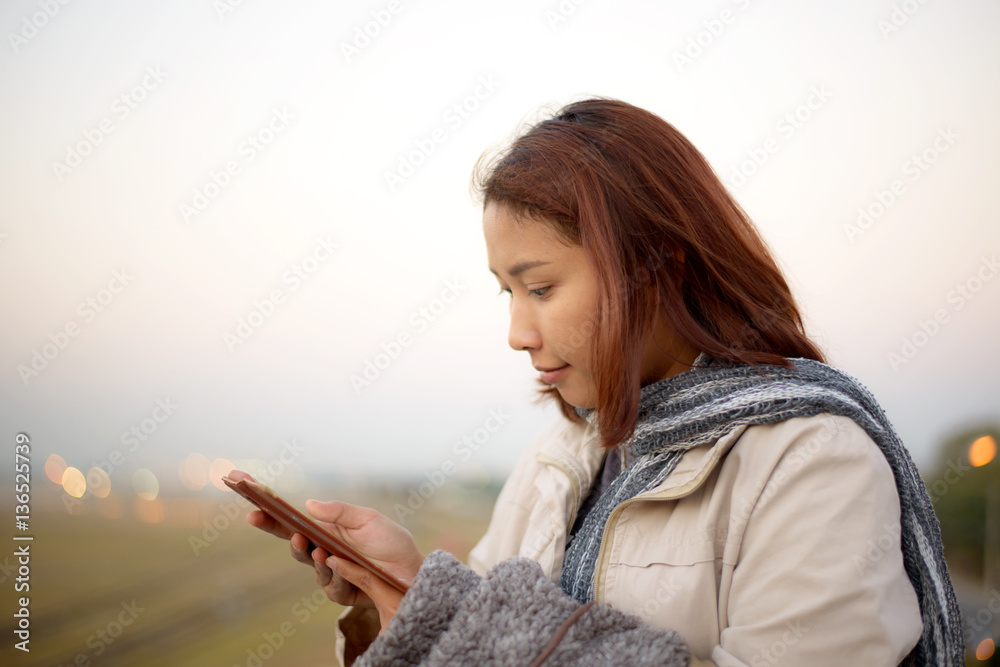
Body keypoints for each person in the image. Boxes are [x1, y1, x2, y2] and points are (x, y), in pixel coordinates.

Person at [239, 98, 965, 666]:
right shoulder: (560, 456)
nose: (518, 333)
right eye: (507, 293)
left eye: (542, 288)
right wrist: (401, 589)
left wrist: (460, 623)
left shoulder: (812, 463)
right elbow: (476, 621)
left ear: (661, 263)